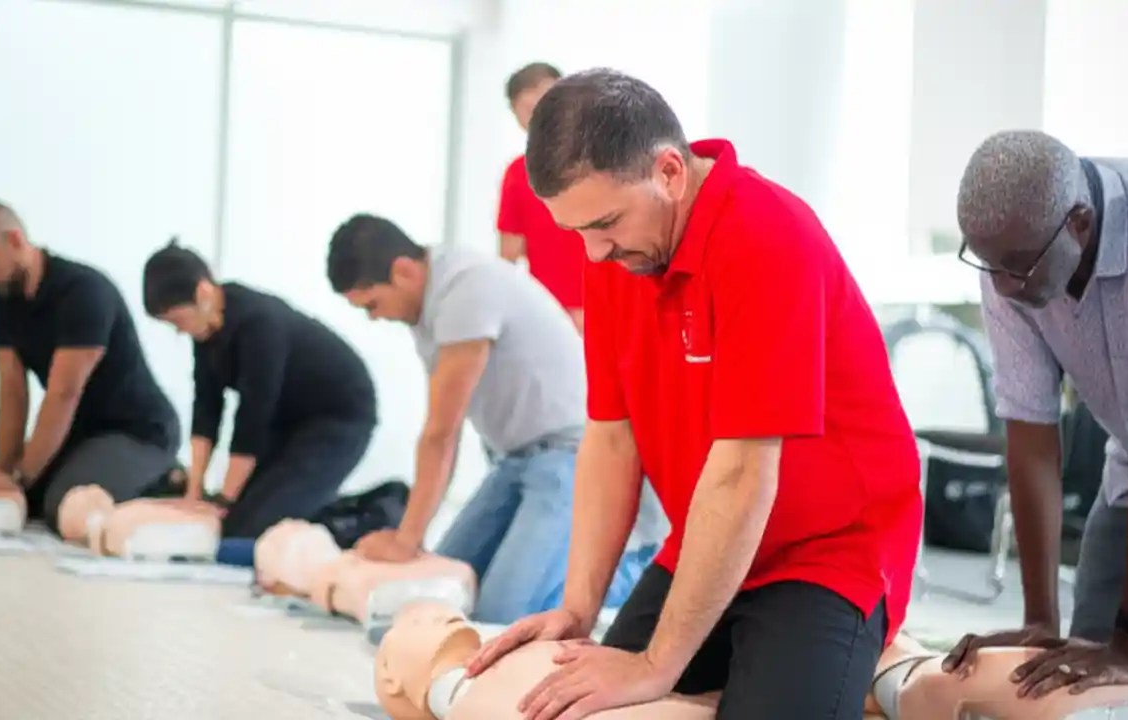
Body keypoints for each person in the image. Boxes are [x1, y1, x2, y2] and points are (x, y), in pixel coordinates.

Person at [464, 69, 924, 720]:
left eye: (604, 223)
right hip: (706, 544)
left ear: (671, 172)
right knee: (579, 706)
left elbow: (742, 471)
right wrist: (577, 609)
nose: (593, 254)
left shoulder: (767, 234)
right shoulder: (620, 251)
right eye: (577, 233)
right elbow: (611, 436)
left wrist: (657, 667)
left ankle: (884, 668)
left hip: (826, 553)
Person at [326, 213, 663, 625]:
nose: (374, 318)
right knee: (449, 589)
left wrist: (405, 540)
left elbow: (441, 433)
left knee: (502, 614)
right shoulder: (427, 302)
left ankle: (642, 572)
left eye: (372, 304)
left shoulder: (465, 288)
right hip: (517, 458)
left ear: (404, 271)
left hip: (570, 451)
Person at [943, 130, 1128, 700]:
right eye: (988, 264)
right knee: (1076, 681)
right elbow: (1032, 444)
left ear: (1079, 223)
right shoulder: (1013, 251)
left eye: (1017, 268)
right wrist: (1038, 622)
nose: (1001, 286)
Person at [0, 200, 182, 530]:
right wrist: (4, 470)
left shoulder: (83, 292)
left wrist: (20, 478)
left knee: (62, 503)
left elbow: (63, 394)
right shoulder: (4, 301)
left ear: (15, 240)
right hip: (80, 434)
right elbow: (12, 391)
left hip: (136, 431)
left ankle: (168, 479)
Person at [142, 240, 377, 538]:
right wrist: (194, 493)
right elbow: (206, 409)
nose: (178, 330)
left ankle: (378, 511)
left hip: (339, 418)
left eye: (177, 319)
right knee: (238, 520)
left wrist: (223, 500)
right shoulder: (205, 331)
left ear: (203, 292)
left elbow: (252, 417)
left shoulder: (258, 323)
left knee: (252, 529)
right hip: (286, 420)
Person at [497, 62, 588, 333]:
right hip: (549, 316)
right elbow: (508, 257)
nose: (542, 118)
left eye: (548, 105)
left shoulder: (603, 163)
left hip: (612, 310)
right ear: (516, 114)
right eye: (530, 110)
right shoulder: (517, 174)